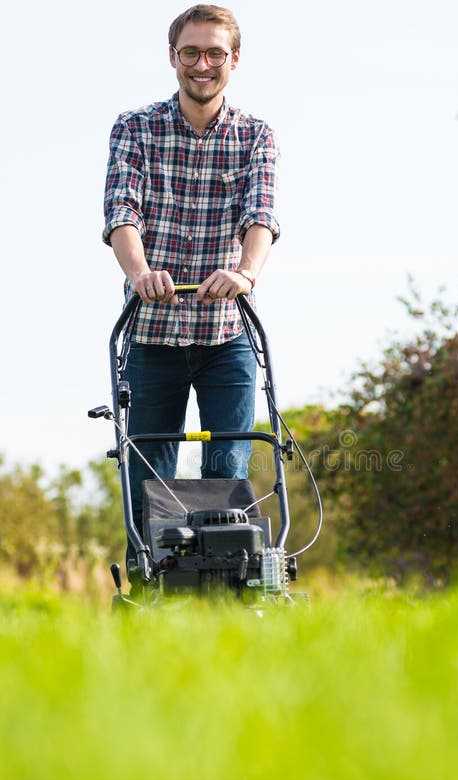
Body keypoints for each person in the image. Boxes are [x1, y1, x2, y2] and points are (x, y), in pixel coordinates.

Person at [102, 4, 280, 548]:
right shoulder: (135, 128)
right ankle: (155, 580)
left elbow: (261, 215)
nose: (202, 64)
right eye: (191, 53)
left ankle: (231, 578)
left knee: (228, 468)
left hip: (226, 336)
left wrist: (245, 273)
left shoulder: (256, 136)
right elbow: (121, 214)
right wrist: (141, 274)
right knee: (149, 476)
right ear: (173, 58)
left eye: (215, 54)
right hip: (152, 334)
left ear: (235, 59)